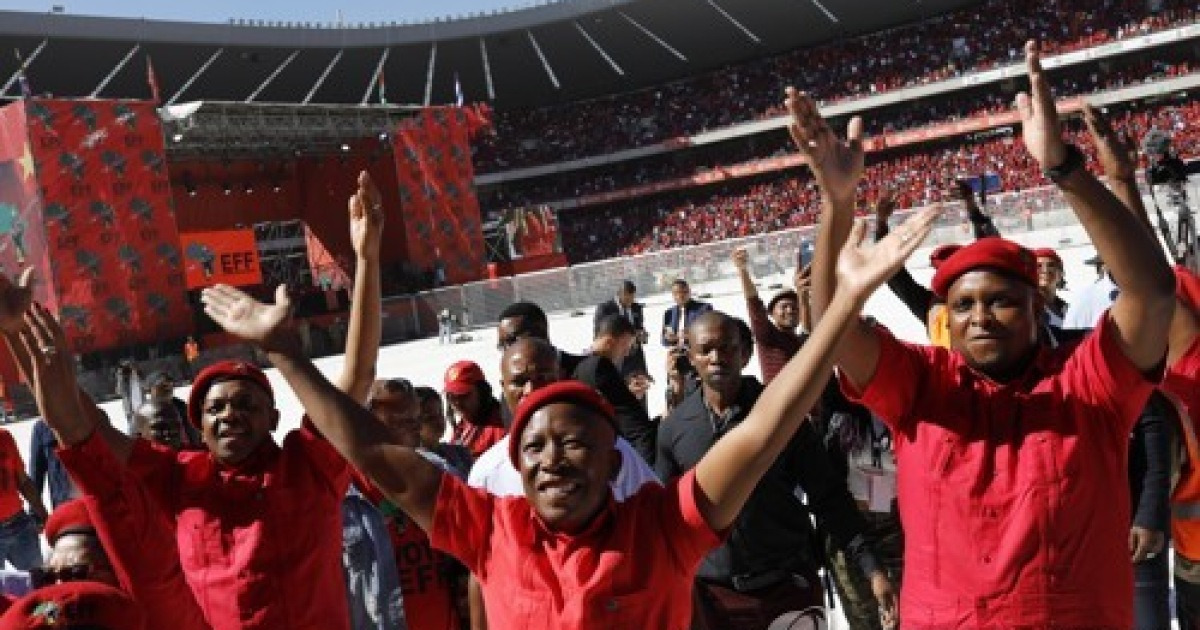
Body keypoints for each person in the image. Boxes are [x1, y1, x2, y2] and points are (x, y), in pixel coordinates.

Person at [232, 200, 935, 628]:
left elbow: (764, 428)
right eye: (534, 447)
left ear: (612, 458)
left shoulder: (661, 526)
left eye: (573, 444)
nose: (551, 458)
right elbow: (377, 455)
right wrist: (288, 357)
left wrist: (842, 307)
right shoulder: (490, 528)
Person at [795, 40, 1175, 628]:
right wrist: (835, 204)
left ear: (1036, 304)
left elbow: (1152, 295)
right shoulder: (922, 385)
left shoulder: (1089, 384)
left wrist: (1064, 169)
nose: (981, 317)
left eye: (1001, 301)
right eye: (965, 304)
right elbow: (831, 336)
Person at [655, 310, 895, 629]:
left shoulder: (781, 412)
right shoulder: (673, 428)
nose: (716, 357)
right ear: (692, 356)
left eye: (726, 347)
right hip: (714, 600)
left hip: (788, 588)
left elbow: (828, 496)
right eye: (705, 349)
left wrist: (872, 568)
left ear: (744, 353)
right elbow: (664, 519)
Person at [498, 300, 657, 465]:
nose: (506, 350)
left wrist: (641, 485)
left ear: (539, 333)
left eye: (510, 341)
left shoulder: (592, 371)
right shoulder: (509, 395)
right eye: (501, 345)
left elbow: (639, 434)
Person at [0, 426, 47, 571]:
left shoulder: (4, 436)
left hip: (20, 525)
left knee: (38, 582)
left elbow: (23, 481)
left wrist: (43, 514)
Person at [444, 361, 507, 459]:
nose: (457, 403)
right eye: (451, 396)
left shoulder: (500, 429)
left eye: (463, 395)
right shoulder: (465, 424)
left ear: (482, 392)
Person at [594, 280, 648, 376]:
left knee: (640, 387)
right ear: (619, 294)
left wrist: (643, 335)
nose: (630, 301)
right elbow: (598, 335)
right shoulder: (605, 308)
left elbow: (639, 327)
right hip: (616, 356)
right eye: (627, 298)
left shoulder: (636, 307)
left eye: (633, 298)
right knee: (619, 387)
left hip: (636, 357)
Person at [416, 386, 473, 476]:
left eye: (440, 413)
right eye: (430, 418)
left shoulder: (460, 453)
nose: (439, 421)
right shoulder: (416, 463)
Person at [27, 419, 75, 509]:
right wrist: (35, 511)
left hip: (95, 500)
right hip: (64, 503)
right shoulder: (41, 428)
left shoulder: (91, 416)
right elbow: (36, 473)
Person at [661, 279, 712, 347]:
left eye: (683, 292)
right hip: (677, 352)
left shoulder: (704, 308)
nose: (680, 296)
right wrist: (669, 338)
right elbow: (664, 341)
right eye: (676, 293)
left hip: (698, 351)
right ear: (672, 295)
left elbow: (711, 334)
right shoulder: (669, 313)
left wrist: (691, 335)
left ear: (689, 292)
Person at [1032, 248, 1069, 327]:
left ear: (1060, 274)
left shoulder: (1067, 308)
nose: (1045, 270)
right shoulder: (1029, 308)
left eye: (1051, 265)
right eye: (1039, 266)